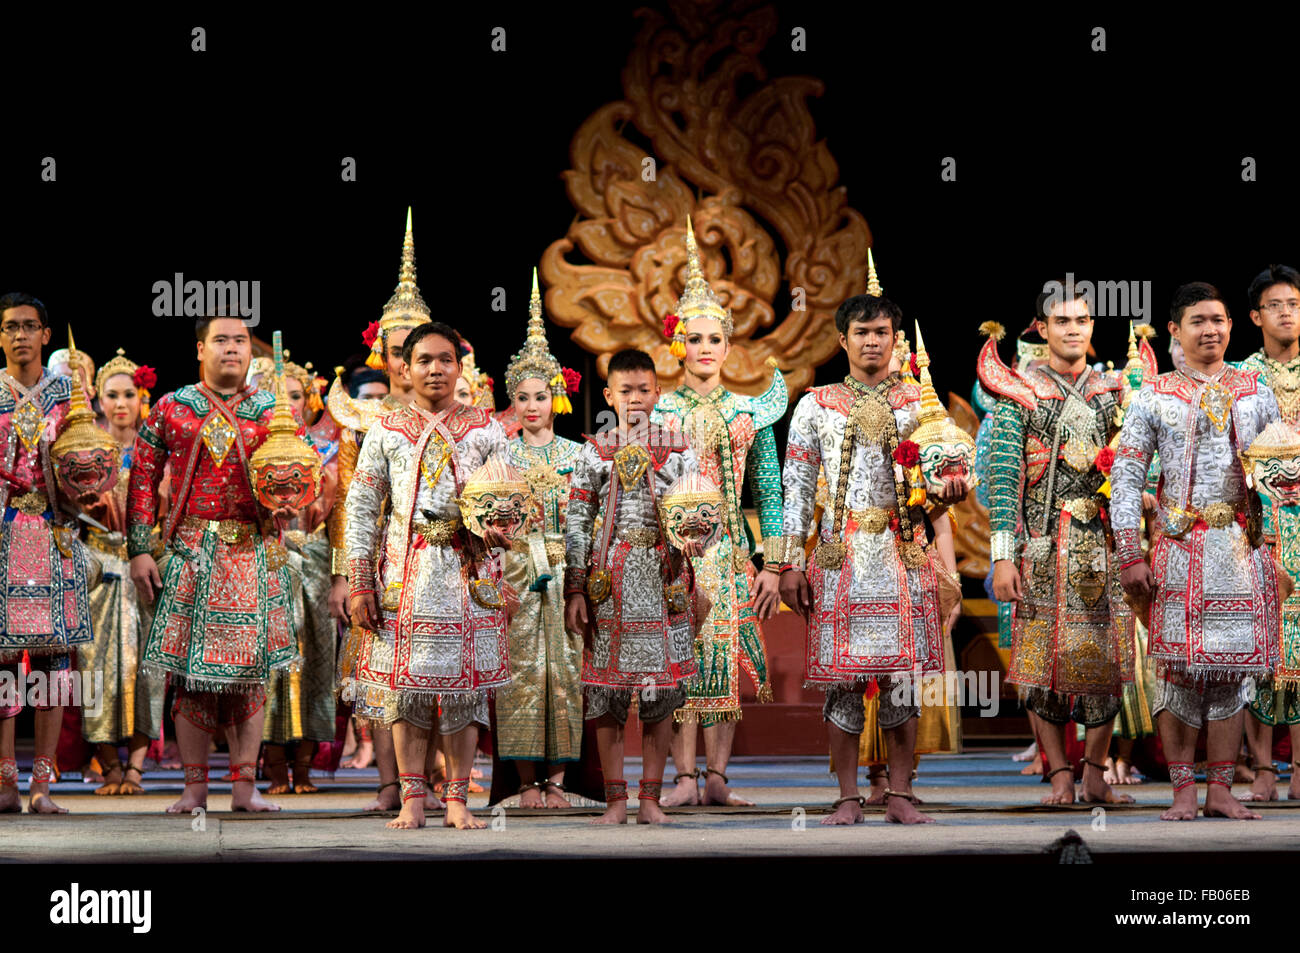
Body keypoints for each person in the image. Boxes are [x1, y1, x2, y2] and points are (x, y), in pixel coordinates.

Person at [777, 260, 968, 825]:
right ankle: (846, 796)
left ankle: (902, 795)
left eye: (881, 332)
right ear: (842, 340)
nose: (871, 342)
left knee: (902, 680)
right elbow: (794, 488)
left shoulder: (920, 404)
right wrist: (787, 563)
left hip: (906, 554)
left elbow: (941, 483)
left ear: (896, 340)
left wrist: (949, 492)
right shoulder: (815, 405)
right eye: (861, 332)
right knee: (843, 682)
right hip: (840, 556)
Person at [1113, 281, 1281, 821]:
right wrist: (1128, 554)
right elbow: (1126, 476)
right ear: (1175, 331)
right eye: (1198, 321)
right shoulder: (1154, 393)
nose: (1210, 330)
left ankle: (1222, 788)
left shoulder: (1257, 390)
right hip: (1179, 550)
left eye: (1219, 320)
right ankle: (1183, 788)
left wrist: (1276, 549)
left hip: (1240, 551)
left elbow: (1280, 479)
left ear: (1232, 326)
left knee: (1231, 674)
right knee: (1179, 673)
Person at [128, 315, 301, 814]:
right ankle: (195, 788)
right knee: (189, 676)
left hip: (255, 550)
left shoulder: (274, 410)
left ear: (252, 352)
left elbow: (299, 470)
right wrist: (140, 547)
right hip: (190, 552)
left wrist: (292, 499)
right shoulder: (172, 408)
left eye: (240, 341)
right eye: (221, 340)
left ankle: (245, 788)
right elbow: (142, 474)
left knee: (252, 674)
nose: (232, 349)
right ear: (200, 349)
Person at [346, 322, 511, 830]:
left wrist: (505, 539)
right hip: (404, 571)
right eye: (424, 361)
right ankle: (412, 798)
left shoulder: (486, 428)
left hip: (470, 573)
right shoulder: (386, 429)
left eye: (445, 360)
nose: (435, 369)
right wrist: (358, 582)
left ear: (460, 367)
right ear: (404, 367)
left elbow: (512, 498)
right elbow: (361, 506)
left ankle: (457, 799)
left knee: (463, 692)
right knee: (406, 691)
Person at [985, 283, 1134, 806]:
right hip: (1043, 548)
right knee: (1038, 667)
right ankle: (1060, 777)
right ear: (1042, 330)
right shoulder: (1019, 392)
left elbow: (1136, 475)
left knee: (1106, 664)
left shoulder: (1116, 392)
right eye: (1063, 322)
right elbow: (1004, 483)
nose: (1074, 329)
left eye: (1084, 321)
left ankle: (1095, 773)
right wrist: (1004, 555)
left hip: (1105, 549)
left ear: (1093, 328)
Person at [654, 218, 786, 807]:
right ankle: (682, 777)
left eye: (715, 339)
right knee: (681, 662)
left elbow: (771, 492)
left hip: (732, 552)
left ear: (728, 346)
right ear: (677, 342)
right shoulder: (657, 411)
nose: (704, 348)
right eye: (694, 338)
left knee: (725, 664)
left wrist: (774, 566)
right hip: (675, 555)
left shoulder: (748, 413)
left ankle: (717, 778)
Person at [327, 207, 440, 810]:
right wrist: (348, 575)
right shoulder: (363, 419)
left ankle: (439, 785)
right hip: (382, 564)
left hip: (441, 562)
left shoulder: (454, 413)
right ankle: (390, 786)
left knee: (439, 670)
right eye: (395, 350)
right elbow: (354, 503)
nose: (404, 362)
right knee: (377, 671)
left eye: (414, 350)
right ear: (382, 353)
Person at [563, 347, 700, 824]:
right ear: (609, 395)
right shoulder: (595, 449)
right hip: (611, 580)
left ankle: (651, 800)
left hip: (666, 576)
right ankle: (617, 801)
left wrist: (699, 538)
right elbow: (577, 520)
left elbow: (705, 508)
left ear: (658, 392)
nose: (636, 399)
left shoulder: (681, 448)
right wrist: (575, 588)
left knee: (660, 695)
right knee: (607, 695)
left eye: (644, 389)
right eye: (626, 391)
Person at [0, 294, 98, 814]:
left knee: (54, 664)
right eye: (10, 327)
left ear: (45, 335)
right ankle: (5, 782)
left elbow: (91, 457)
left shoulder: (68, 395)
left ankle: (42, 785)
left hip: (57, 537)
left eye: (29, 327)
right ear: (0, 337)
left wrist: (88, 487)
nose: (20, 336)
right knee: (2, 664)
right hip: (4, 536)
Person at [490, 270, 586, 807]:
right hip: (514, 575)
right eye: (522, 397)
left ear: (557, 398)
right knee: (519, 673)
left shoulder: (581, 457)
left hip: (566, 569)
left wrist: (579, 583)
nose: (531, 406)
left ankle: (560, 782)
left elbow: (588, 524)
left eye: (540, 396)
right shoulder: (496, 457)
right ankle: (526, 783)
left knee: (567, 672)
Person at [79, 350, 165, 795]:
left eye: (129, 394)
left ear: (141, 397)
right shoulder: (85, 450)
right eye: (112, 395)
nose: (120, 404)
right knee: (94, 666)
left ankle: (135, 766)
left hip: (145, 569)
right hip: (97, 569)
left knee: (147, 667)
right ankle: (108, 764)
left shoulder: (154, 455)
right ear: (98, 399)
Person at [259, 350, 339, 794]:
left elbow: (342, 515)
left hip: (316, 559)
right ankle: (272, 768)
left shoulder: (328, 449)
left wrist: (343, 577)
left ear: (309, 400)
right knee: (271, 662)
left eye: (294, 395)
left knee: (315, 663)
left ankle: (305, 768)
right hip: (270, 556)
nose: (286, 404)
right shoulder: (256, 447)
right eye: (277, 396)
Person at [1235, 264, 1300, 801]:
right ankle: (1261, 769)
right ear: (1256, 316)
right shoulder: (1242, 377)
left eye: (1294, 304)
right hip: (1259, 522)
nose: (1286, 313)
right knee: (1260, 642)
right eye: (1276, 305)